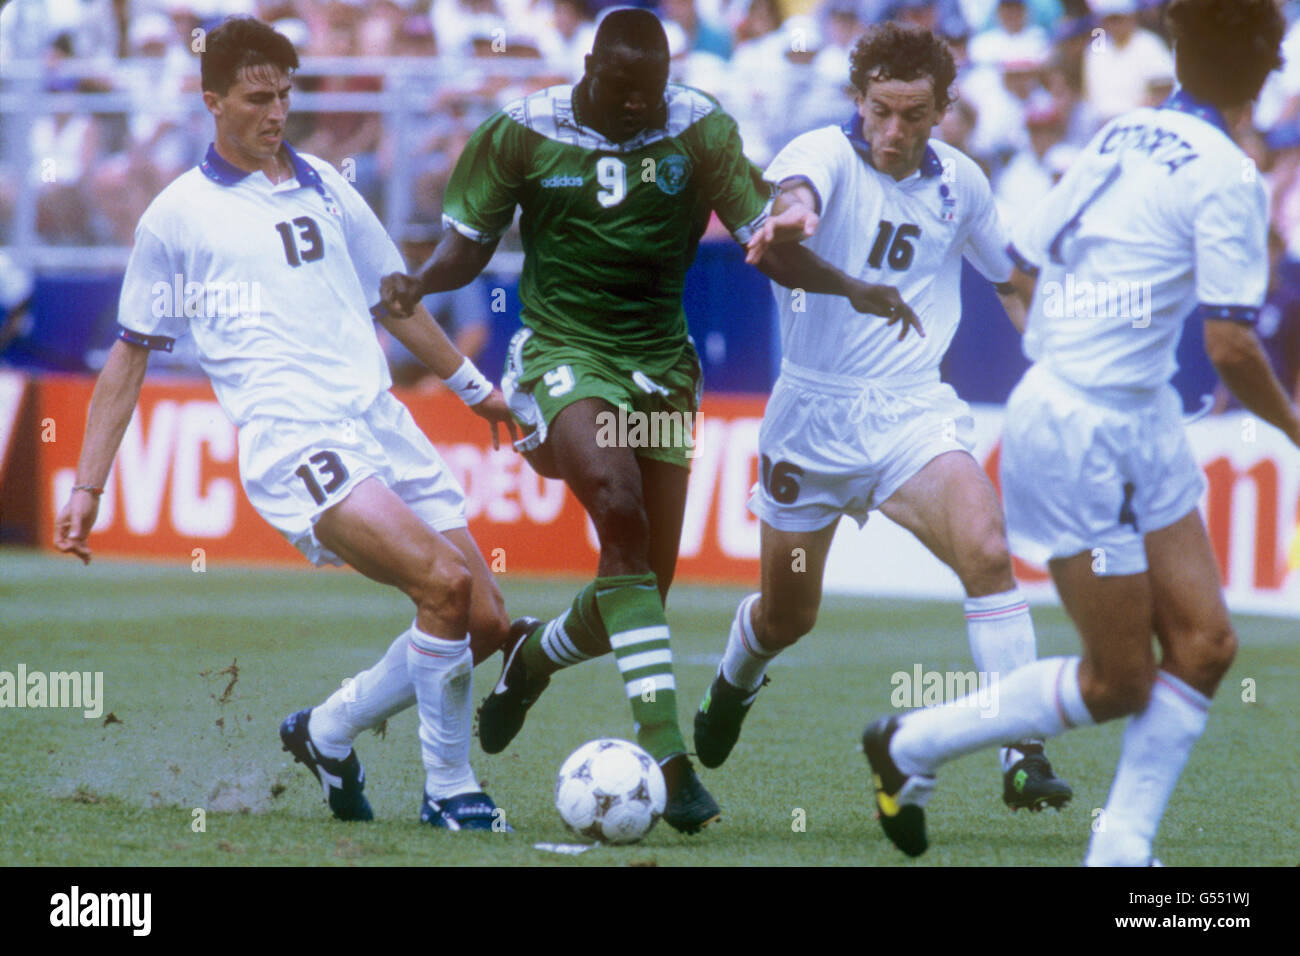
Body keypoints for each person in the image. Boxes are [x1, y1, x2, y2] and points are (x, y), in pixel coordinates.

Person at [378, 7, 919, 834]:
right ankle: (668, 759)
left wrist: (850, 285)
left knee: (641, 581)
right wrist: (419, 282)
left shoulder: (697, 128)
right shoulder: (521, 133)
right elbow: (470, 244)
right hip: (565, 356)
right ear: (589, 66)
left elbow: (763, 240)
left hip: (662, 368)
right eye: (626, 89)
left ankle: (532, 657)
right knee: (616, 498)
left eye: (655, 90)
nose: (642, 106)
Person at [53, 17, 523, 832]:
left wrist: (476, 387)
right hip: (297, 439)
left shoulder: (329, 186)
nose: (277, 112)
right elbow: (130, 357)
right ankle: (450, 790)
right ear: (212, 101)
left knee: (485, 621)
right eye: (257, 96)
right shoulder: (176, 217)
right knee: (442, 587)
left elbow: (395, 300)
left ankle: (328, 730)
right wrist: (88, 482)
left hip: (381, 419)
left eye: (286, 94)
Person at [860, 0, 1299, 864]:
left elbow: (1025, 259)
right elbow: (1231, 342)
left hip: (1137, 412)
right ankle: (909, 744)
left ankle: (1121, 848)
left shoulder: (1122, 132)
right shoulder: (1228, 174)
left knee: (1207, 645)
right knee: (1120, 678)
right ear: (1261, 61)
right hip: (1083, 431)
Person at [692, 21, 1072, 813]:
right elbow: (793, 206)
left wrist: (1058, 360)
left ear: (942, 111)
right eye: (879, 111)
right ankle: (734, 681)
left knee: (988, 550)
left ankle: (1021, 747)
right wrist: (793, 217)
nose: (891, 131)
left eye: (911, 115)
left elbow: (1008, 278)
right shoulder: (818, 155)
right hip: (810, 421)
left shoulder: (962, 182)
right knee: (788, 614)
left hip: (910, 415)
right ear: (858, 100)